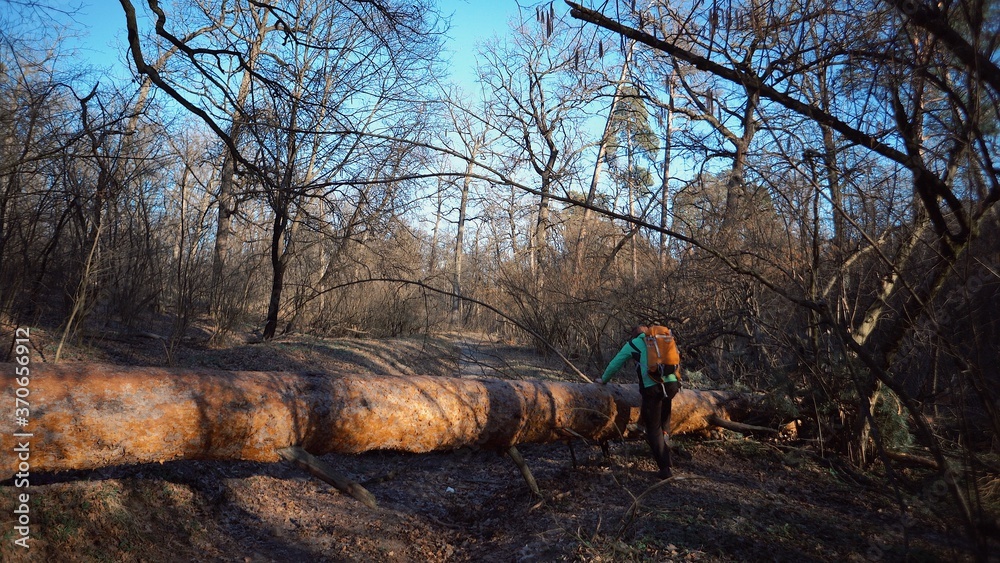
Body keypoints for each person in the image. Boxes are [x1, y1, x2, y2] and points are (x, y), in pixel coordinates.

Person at [599, 325, 681, 479]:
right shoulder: (661, 339)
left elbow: (615, 363)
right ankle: (667, 453)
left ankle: (665, 469)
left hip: (652, 389)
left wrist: (603, 380)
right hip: (671, 386)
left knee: (653, 429)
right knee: (663, 423)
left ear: (633, 335)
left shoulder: (633, 344)